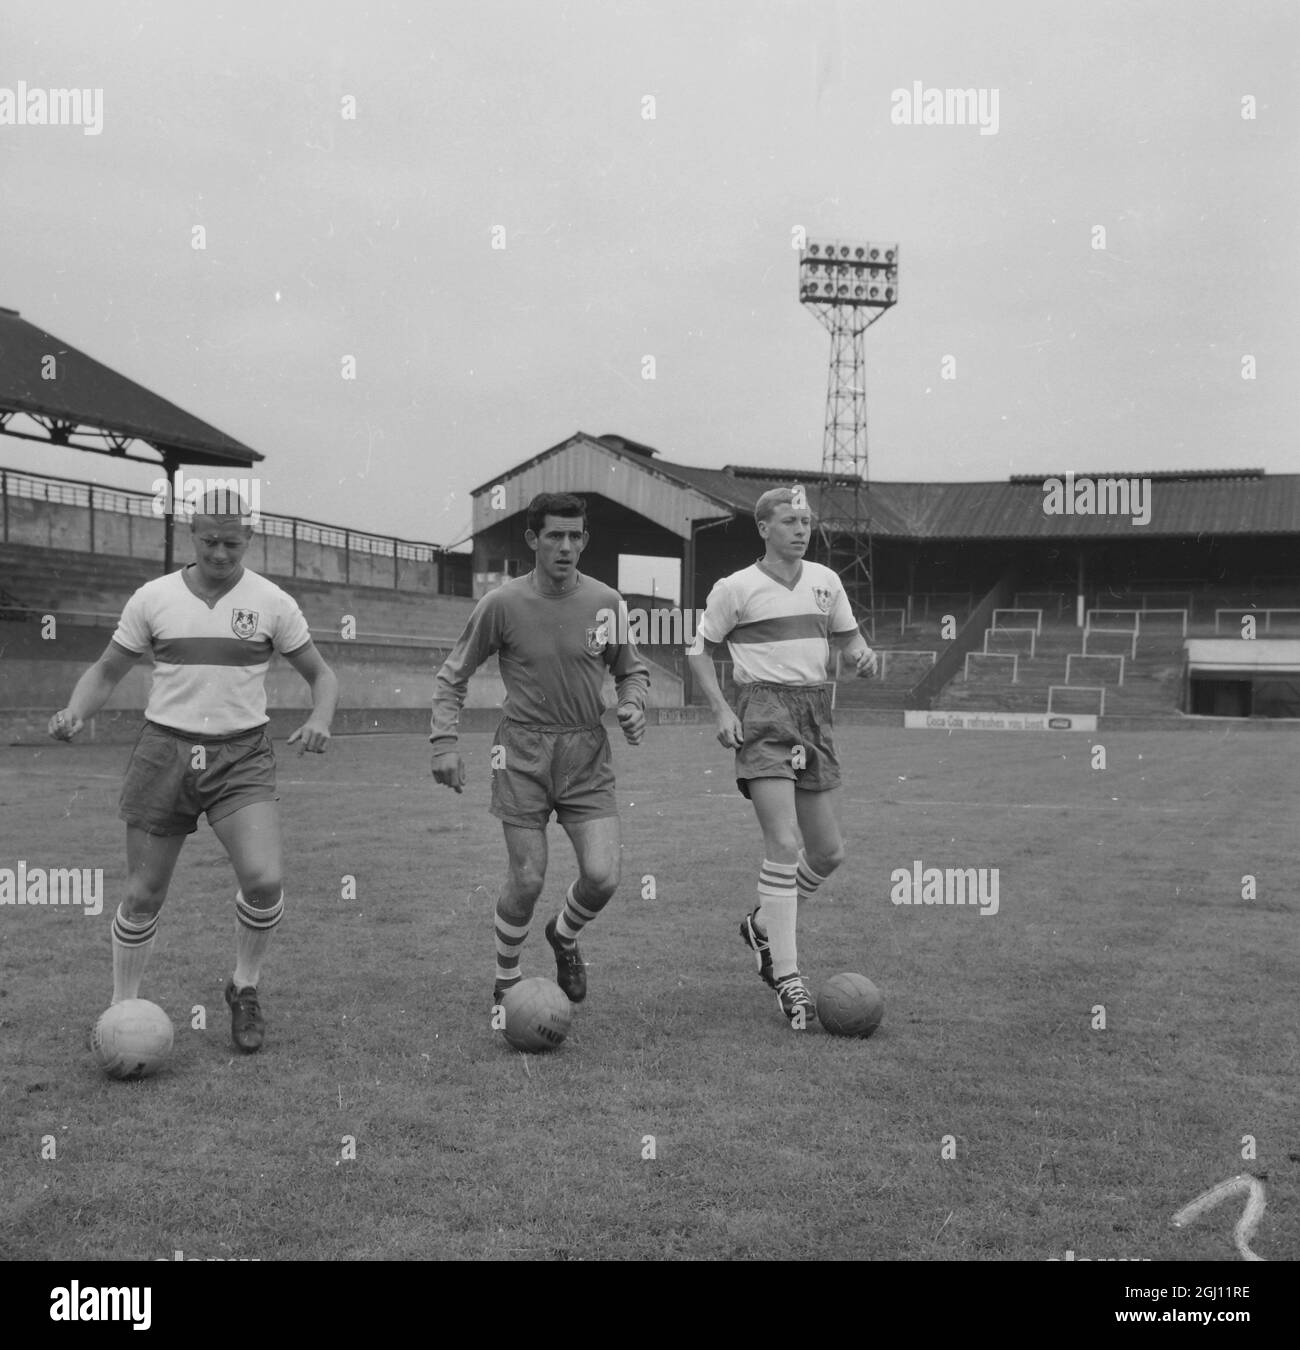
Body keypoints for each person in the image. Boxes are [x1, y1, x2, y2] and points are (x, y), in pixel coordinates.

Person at [48, 490, 337, 1053]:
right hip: (165, 752)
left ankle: (244, 987)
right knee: (143, 893)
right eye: (210, 541)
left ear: (250, 539)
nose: (221, 553)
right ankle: (121, 1009)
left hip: (240, 756)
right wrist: (76, 711)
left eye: (233, 543)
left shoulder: (273, 602)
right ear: (192, 534)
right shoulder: (153, 598)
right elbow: (107, 671)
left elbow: (321, 675)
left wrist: (321, 718)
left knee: (264, 880)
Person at [430, 492, 649, 1009]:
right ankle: (507, 978)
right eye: (555, 535)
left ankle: (564, 935)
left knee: (603, 876)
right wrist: (443, 742)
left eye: (576, 536)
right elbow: (452, 674)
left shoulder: (607, 602)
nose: (566, 546)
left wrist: (633, 703)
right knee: (527, 878)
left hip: (585, 750)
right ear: (533, 540)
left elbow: (631, 669)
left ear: (585, 541)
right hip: (522, 751)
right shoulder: (501, 604)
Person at [686, 486, 877, 1028]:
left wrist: (863, 658)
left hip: (815, 711)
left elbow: (851, 642)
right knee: (784, 842)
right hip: (763, 712)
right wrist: (723, 710)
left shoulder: (826, 582)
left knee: (829, 852)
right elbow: (698, 646)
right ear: (763, 527)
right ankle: (789, 980)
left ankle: (763, 927)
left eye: (806, 521)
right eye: (790, 520)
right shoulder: (737, 588)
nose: (801, 528)